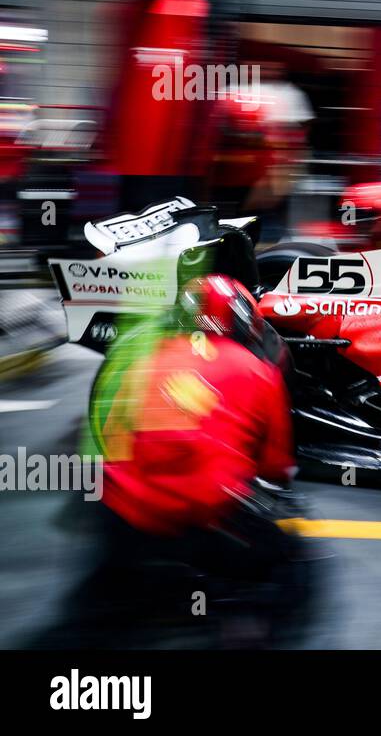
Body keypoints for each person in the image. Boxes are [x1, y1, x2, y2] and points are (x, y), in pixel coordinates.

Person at [39, 274, 305, 648]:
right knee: (289, 563)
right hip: (200, 521)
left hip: (120, 512)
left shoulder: (147, 359)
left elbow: (109, 438)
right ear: (244, 322)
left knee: (83, 623)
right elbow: (276, 467)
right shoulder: (259, 372)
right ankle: (244, 624)